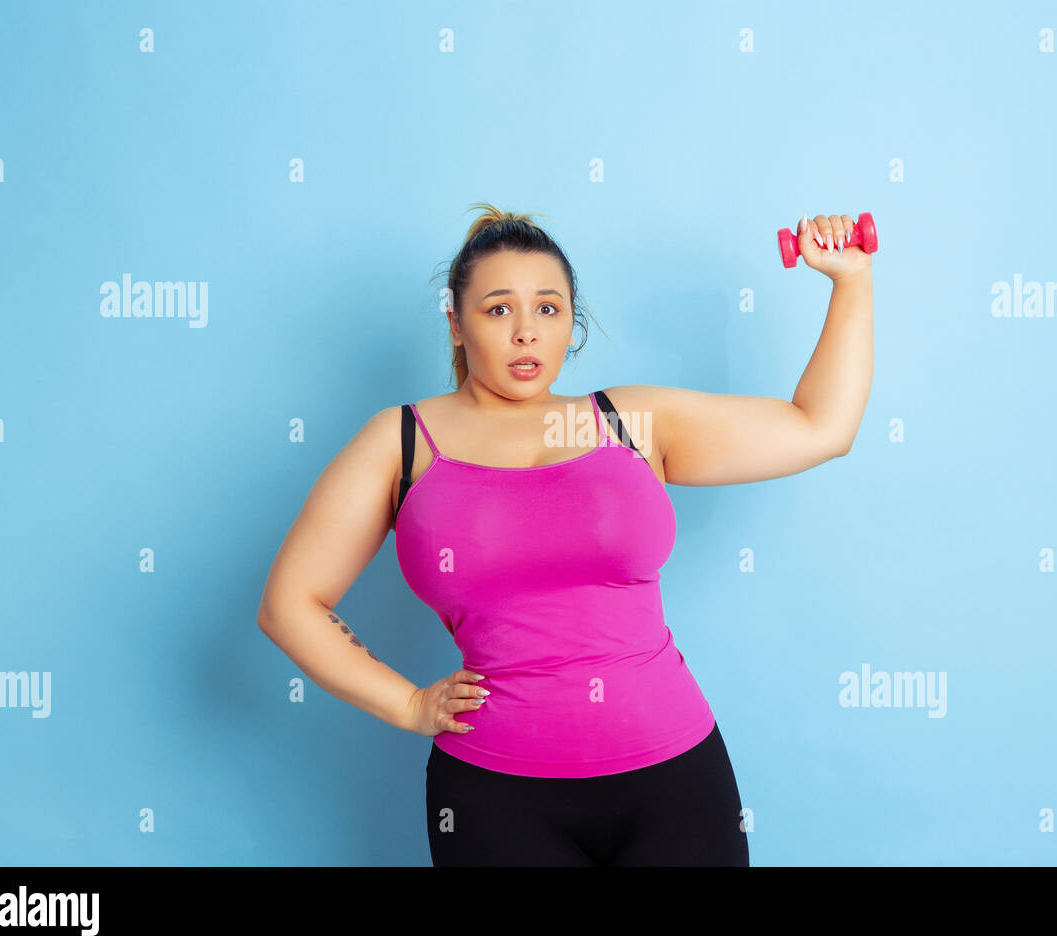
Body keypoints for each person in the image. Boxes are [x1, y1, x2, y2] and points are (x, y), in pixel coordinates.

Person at [257, 202, 874, 865]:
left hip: (674, 778)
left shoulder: (632, 421)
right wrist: (408, 703)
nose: (526, 332)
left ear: (570, 323)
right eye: (499, 309)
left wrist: (852, 281)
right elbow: (289, 605)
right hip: (494, 797)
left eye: (548, 308)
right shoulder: (401, 442)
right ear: (455, 323)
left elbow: (821, 427)